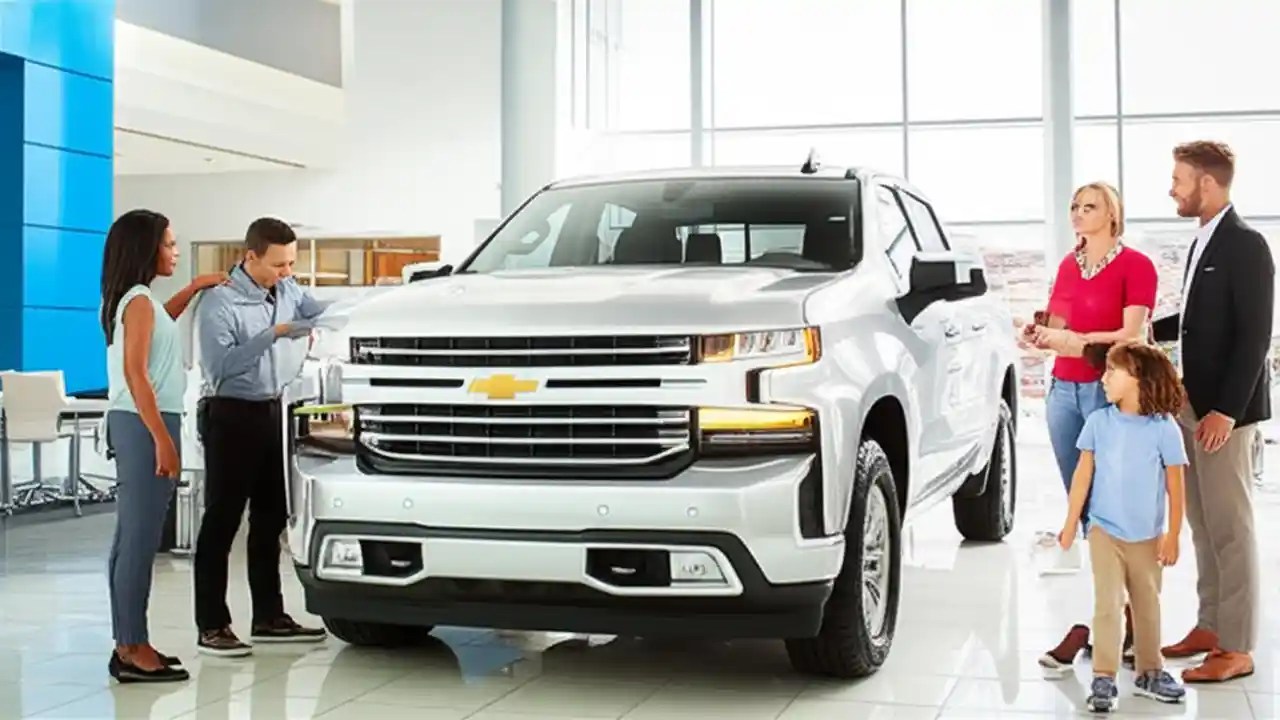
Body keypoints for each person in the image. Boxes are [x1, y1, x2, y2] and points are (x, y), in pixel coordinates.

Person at [1023, 183, 1156, 673]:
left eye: (1089, 206)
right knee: (1082, 506)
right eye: (1074, 206)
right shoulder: (1067, 264)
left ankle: (1111, 623)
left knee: (1111, 507)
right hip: (1062, 394)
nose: (1078, 213)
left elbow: (1132, 336)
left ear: (1113, 214)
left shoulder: (1135, 266)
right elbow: (1058, 324)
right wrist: (1041, 331)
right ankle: (1112, 619)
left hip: (1109, 393)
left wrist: (1075, 340)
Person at [1153, 140, 1272, 683]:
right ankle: (1211, 625)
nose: (1172, 189)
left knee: (1231, 527)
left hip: (1226, 415)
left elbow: (1255, 336)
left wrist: (1225, 409)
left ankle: (1239, 646)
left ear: (1207, 182)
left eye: (1179, 179)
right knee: (1202, 524)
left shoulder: (1247, 244)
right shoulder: (1204, 240)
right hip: (1192, 408)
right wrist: (1141, 335)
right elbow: (1194, 320)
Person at [192, 217, 330, 656]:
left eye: (291, 263)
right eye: (278, 264)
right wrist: (273, 334)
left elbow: (320, 312)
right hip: (230, 414)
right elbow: (221, 369)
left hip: (275, 410)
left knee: (271, 519)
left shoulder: (287, 290)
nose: (287, 272)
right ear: (251, 256)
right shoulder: (220, 303)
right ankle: (212, 625)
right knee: (222, 521)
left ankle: (269, 617)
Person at [100, 209, 227, 681]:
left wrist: (192, 290)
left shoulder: (141, 302)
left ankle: (129, 641)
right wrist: (162, 440)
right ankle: (133, 646)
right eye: (170, 244)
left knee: (129, 540)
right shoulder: (136, 302)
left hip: (139, 421)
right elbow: (136, 374)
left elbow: (162, 327)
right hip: (142, 424)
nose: (175, 251)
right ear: (146, 247)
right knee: (138, 541)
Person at [1058, 342, 1188, 713]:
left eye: (1112, 372)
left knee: (1147, 604)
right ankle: (1104, 675)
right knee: (1107, 604)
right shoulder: (1100, 422)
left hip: (1147, 536)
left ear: (1138, 379)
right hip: (1104, 530)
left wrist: (1173, 534)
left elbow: (1175, 486)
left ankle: (1150, 671)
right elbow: (1083, 476)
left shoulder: (1164, 429)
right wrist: (1070, 524)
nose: (1103, 379)